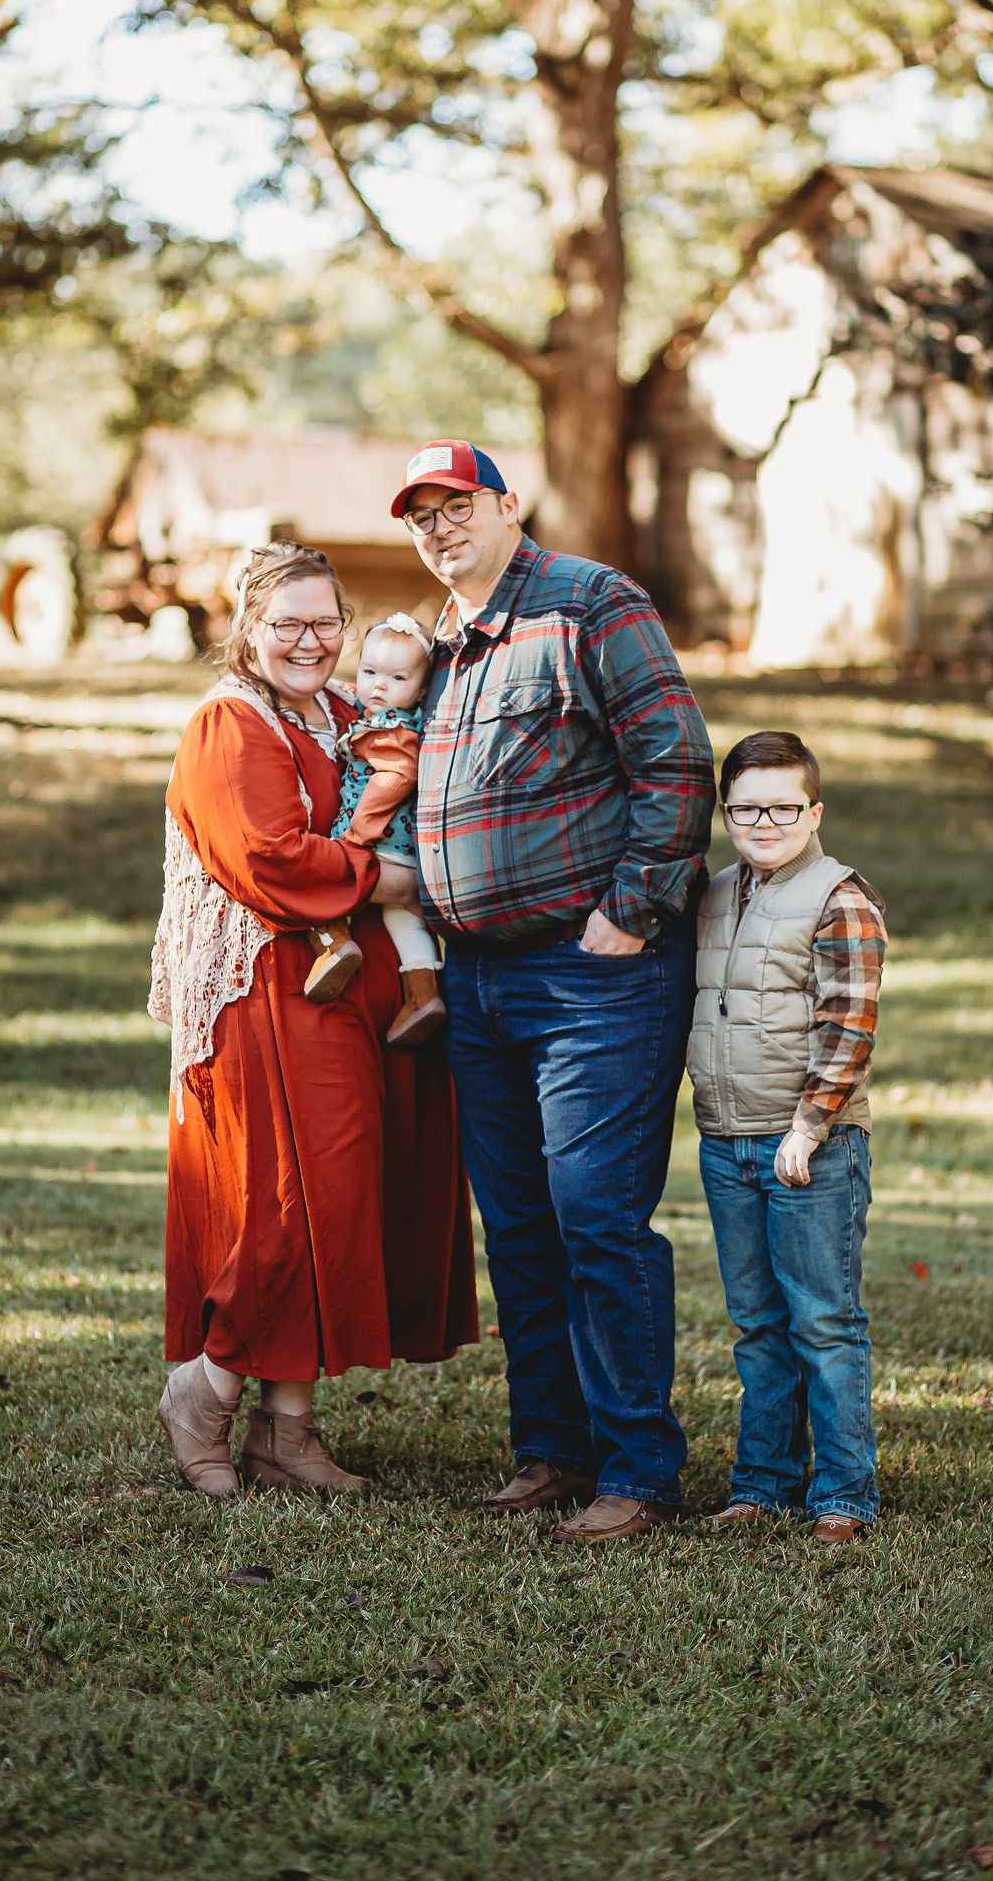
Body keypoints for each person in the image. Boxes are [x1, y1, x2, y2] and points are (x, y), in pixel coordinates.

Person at [393, 440, 716, 1544]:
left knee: (595, 1221)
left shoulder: (588, 603)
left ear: (506, 505)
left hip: (592, 976)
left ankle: (638, 1469)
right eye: (420, 517)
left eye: (456, 507)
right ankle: (552, 1451)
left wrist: (629, 912)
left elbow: (674, 760)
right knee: (521, 1229)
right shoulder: (442, 643)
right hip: (475, 982)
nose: (439, 530)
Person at [149, 543, 477, 1500]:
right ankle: (202, 1391)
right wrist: (393, 879)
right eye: (286, 622)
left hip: (346, 993)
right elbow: (270, 860)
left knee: (347, 1198)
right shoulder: (228, 725)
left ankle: (286, 1432)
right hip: (264, 994)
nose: (308, 640)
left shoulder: (346, 714)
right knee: (287, 1205)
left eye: (324, 622)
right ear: (248, 628)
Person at [689, 728, 886, 1545]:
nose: (763, 822)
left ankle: (843, 1495)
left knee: (824, 1324)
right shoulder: (712, 891)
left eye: (781, 807)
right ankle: (762, 1485)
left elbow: (848, 1025)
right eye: (744, 808)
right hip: (725, 1140)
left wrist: (808, 1128)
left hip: (808, 1147)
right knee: (756, 1325)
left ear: (814, 811)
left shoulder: (841, 898)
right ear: (725, 812)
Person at [303, 613, 446, 1049]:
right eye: (370, 672)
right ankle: (423, 996)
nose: (379, 686)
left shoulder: (389, 729)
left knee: (325, 887)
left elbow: (396, 777)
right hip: (406, 847)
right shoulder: (404, 723)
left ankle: (334, 944)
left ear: (421, 689)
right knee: (403, 921)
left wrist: (358, 833)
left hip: (379, 840)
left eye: (397, 677)